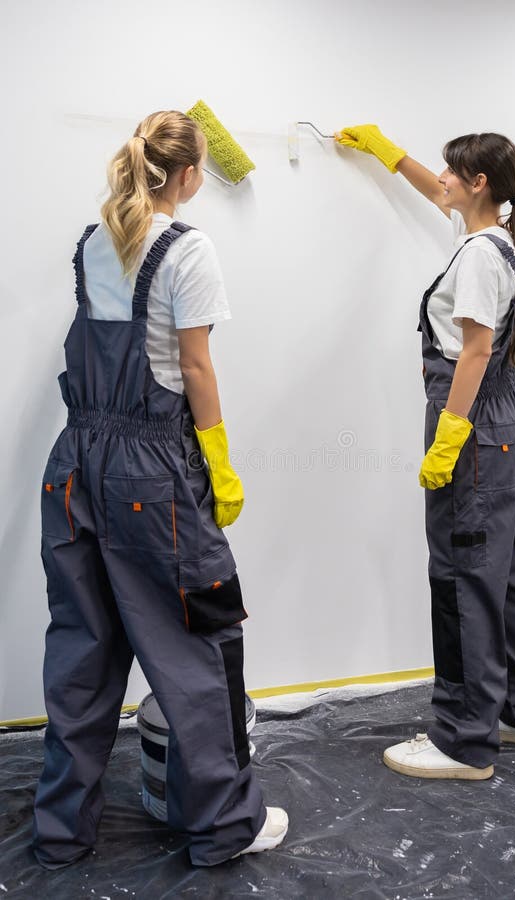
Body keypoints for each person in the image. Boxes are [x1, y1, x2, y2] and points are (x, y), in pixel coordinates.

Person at [32, 110, 287, 868]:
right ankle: (224, 826)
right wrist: (219, 461)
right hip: (151, 474)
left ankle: (60, 834)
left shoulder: (93, 241)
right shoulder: (186, 247)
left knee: (82, 652)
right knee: (200, 645)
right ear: (189, 175)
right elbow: (196, 366)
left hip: (75, 463)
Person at [335, 126, 515, 779]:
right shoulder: (494, 235)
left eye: (453, 170)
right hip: (504, 422)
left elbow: (476, 350)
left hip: (475, 425)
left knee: (463, 578)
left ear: (479, 183)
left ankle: (465, 741)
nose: (444, 178)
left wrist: (450, 434)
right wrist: (385, 152)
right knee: (502, 574)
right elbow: (435, 193)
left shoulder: (481, 256)